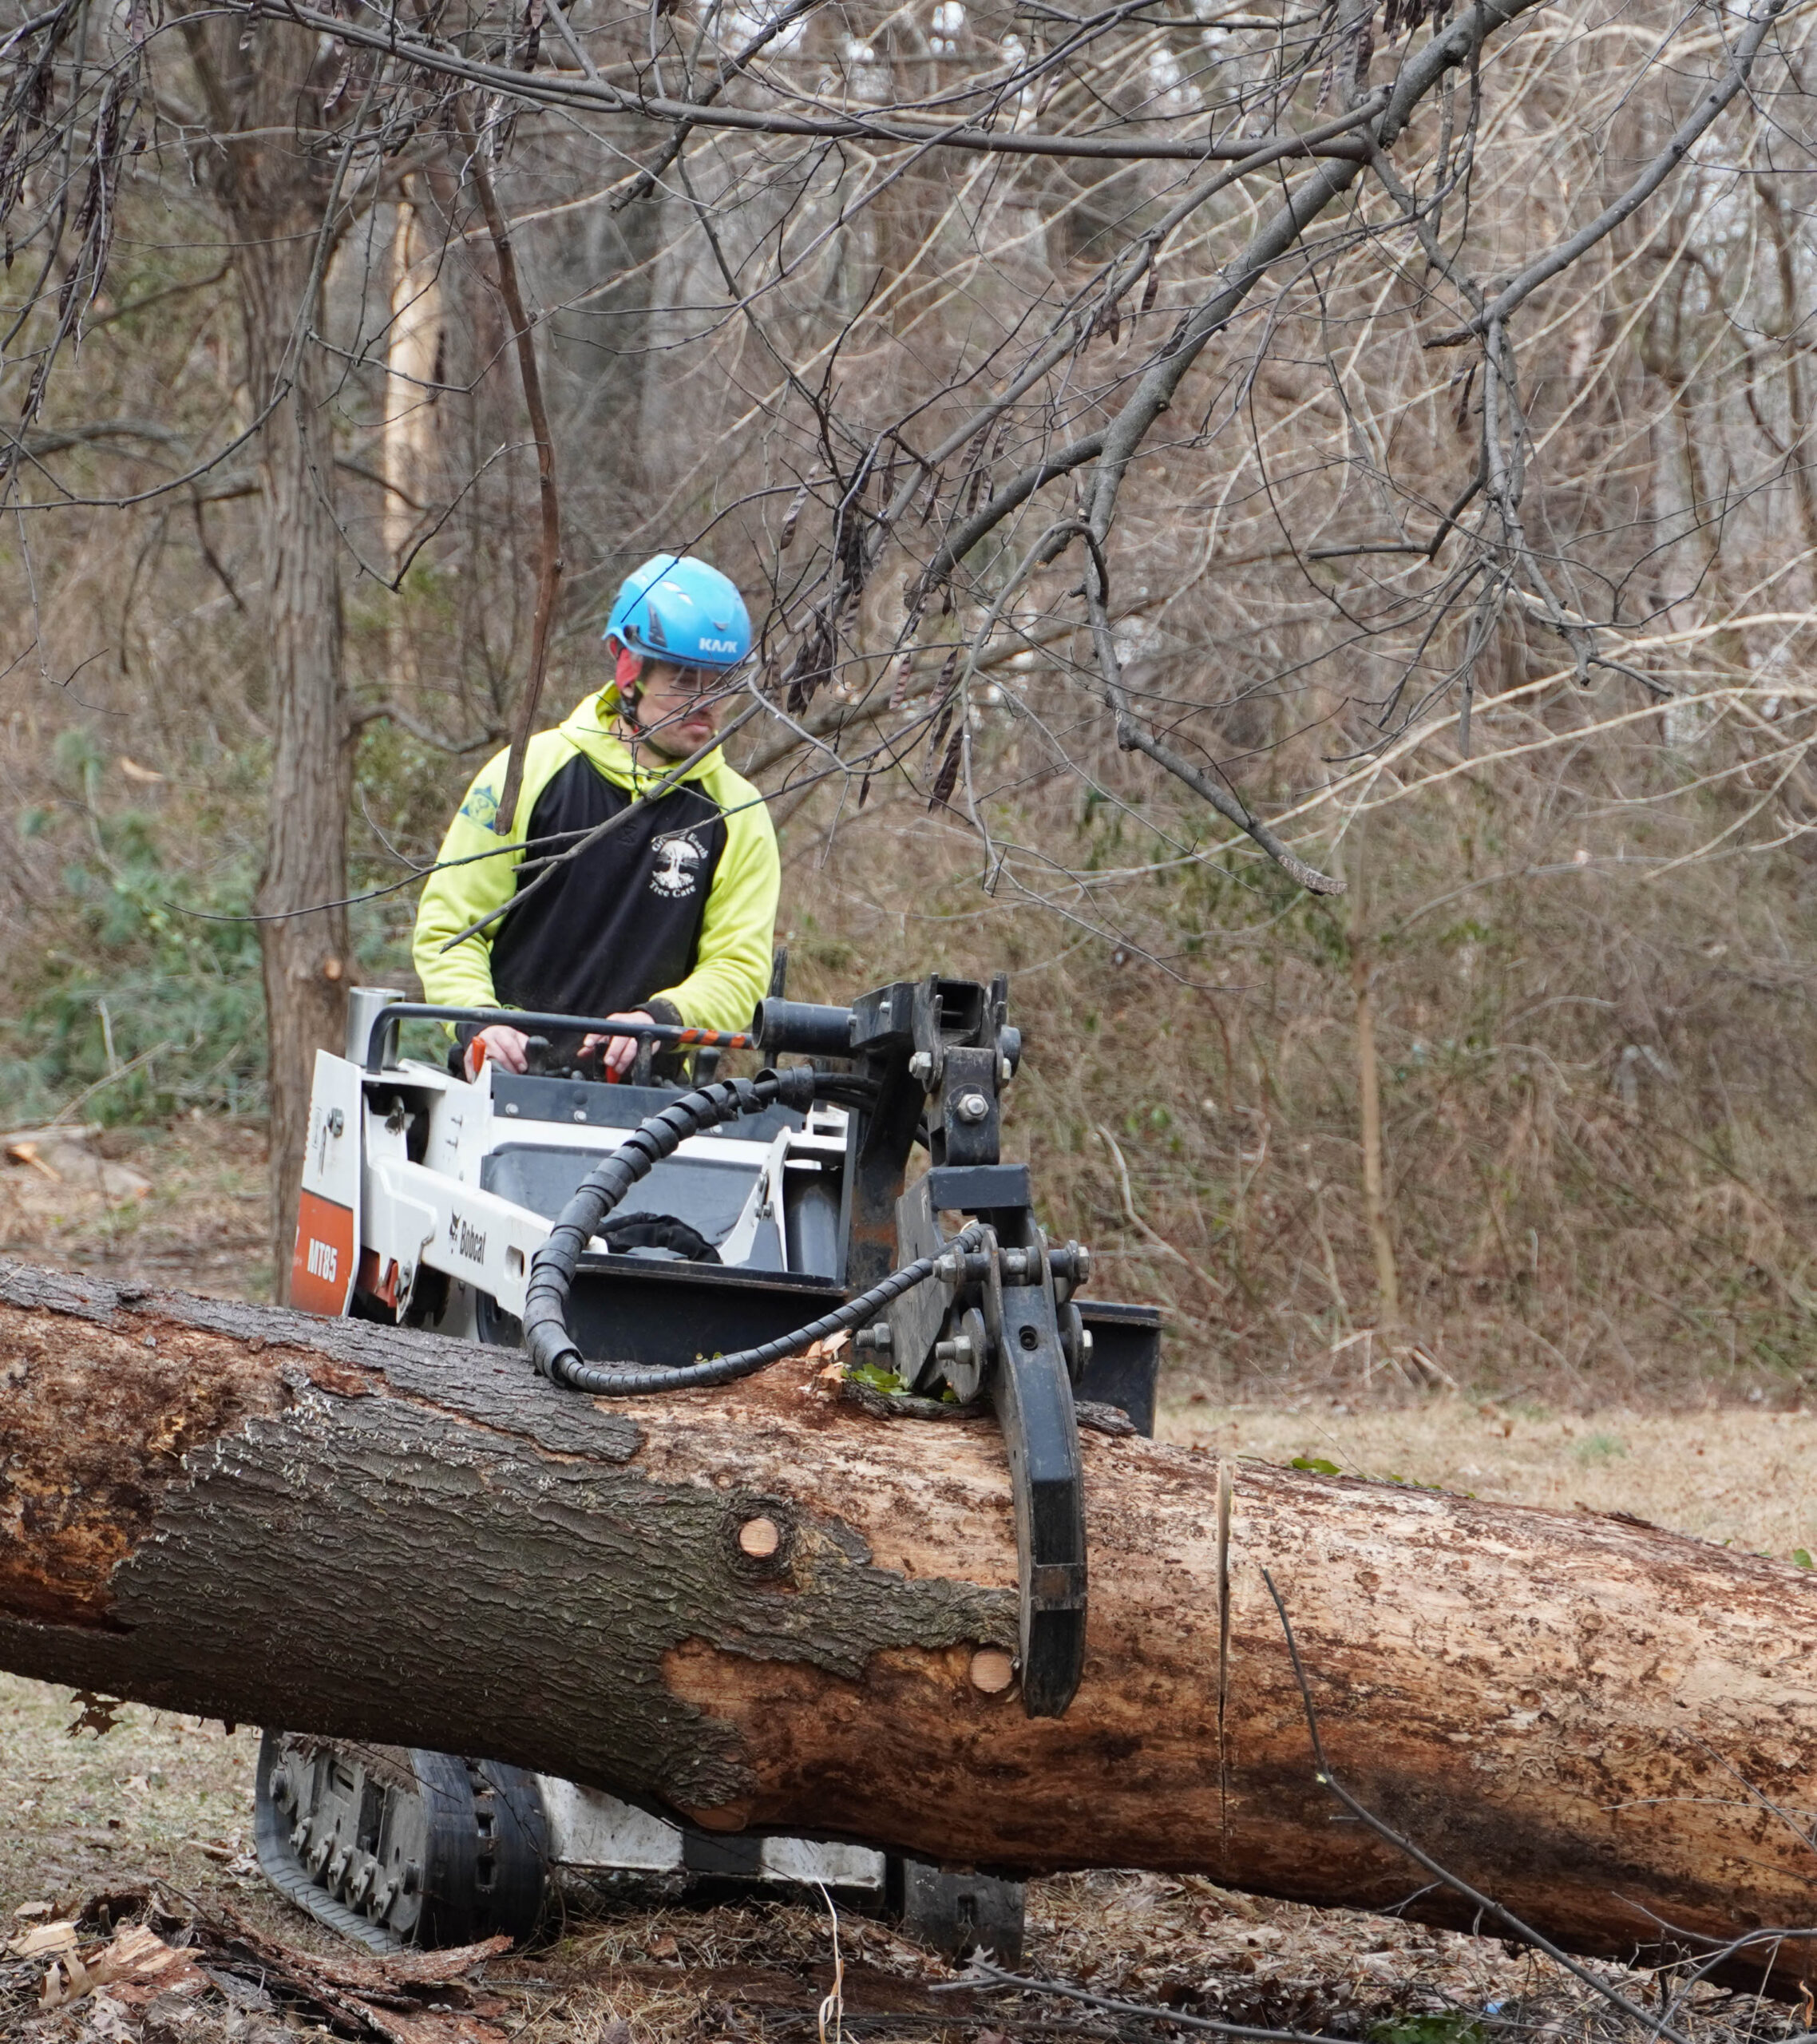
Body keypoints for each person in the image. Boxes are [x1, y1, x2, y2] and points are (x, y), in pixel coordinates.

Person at [413, 553, 779, 1079]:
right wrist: (481, 1021)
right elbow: (452, 927)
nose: (707, 703)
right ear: (629, 670)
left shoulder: (739, 814)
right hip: (500, 1085)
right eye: (684, 679)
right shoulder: (527, 771)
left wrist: (656, 1022)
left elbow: (739, 969)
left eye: (722, 682)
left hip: (652, 1108)